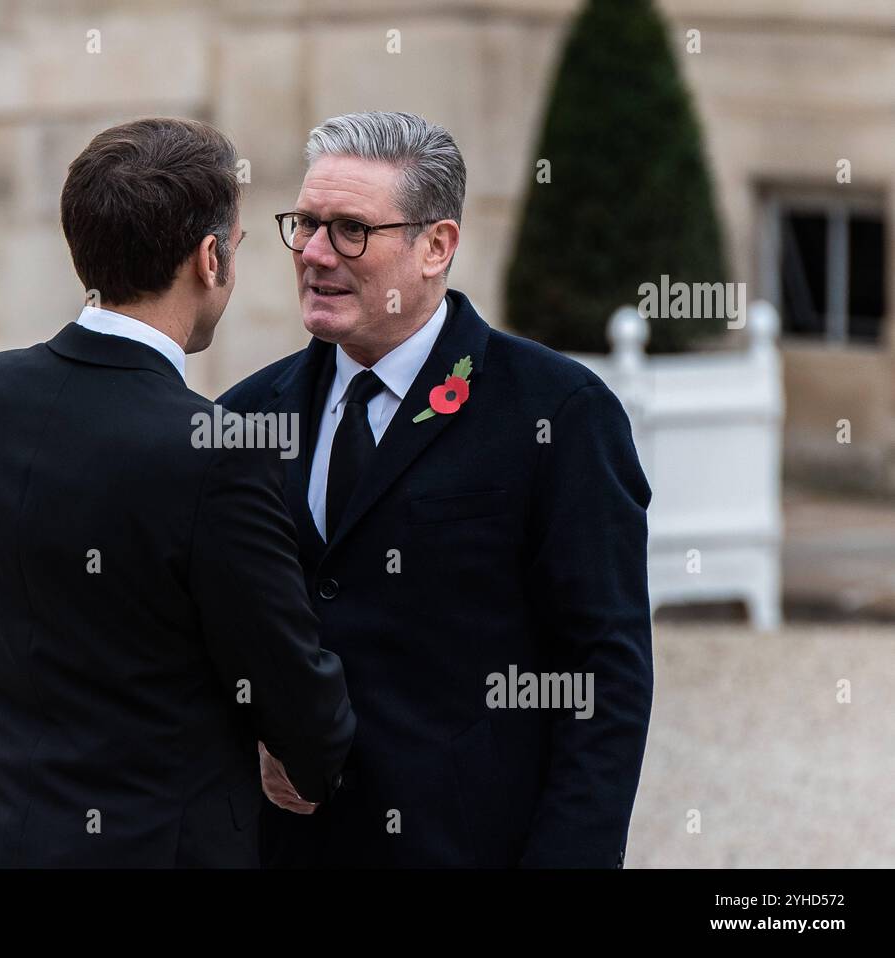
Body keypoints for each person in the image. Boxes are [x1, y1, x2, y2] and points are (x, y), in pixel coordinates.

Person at [219, 111, 653, 867]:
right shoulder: (248, 416)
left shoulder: (556, 414)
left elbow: (604, 675)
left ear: (437, 246)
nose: (316, 254)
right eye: (306, 225)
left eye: (351, 229)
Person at [0, 117, 355, 867]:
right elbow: (282, 676)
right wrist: (317, 761)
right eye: (241, 244)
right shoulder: (216, 451)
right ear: (209, 258)